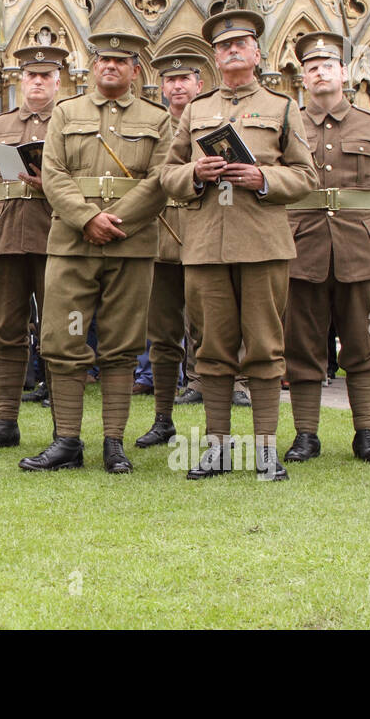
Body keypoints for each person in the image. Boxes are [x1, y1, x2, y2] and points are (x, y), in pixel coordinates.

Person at [160, 10, 316, 480]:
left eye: (241, 44)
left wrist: (263, 177)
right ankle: (218, 449)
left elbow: (306, 176)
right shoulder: (196, 110)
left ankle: (266, 451)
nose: (232, 51)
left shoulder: (283, 107)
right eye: (224, 46)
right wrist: (195, 173)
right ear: (214, 57)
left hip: (262, 244)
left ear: (257, 53)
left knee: (266, 348)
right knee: (211, 348)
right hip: (206, 245)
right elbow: (167, 174)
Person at [19, 32, 171, 473]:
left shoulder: (157, 119)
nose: (111, 66)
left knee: (122, 346)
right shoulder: (66, 113)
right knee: (63, 341)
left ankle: (113, 443)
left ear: (135, 70)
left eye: (122, 61)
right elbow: (53, 173)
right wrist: (86, 218)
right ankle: (66, 441)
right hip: (72, 244)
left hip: (130, 245)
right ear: (92, 65)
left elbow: (161, 179)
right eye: (104, 59)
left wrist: (116, 220)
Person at [281, 33, 370, 465]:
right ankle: (306, 436)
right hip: (303, 250)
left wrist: (364, 226)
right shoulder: (288, 122)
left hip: (359, 249)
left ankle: (366, 433)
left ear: (343, 72)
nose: (319, 72)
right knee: (303, 346)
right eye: (311, 66)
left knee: (363, 343)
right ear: (303, 77)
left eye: (327, 64)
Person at [0, 46, 62, 449]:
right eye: (30, 75)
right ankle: (6, 421)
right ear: (21, 81)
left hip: (56, 236)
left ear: (58, 81)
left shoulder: (69, 122)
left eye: (45, 76)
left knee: (57, 333)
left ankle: (63, 423)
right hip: (5, 238)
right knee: (6, 332)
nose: (37, 82)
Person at [136, 50, 207, 449]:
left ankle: (212, 412)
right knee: (161, 335)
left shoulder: (213, 119)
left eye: (185, 79)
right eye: (170, 80)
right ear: (161, 87)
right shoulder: (148, 124)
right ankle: (164, 418)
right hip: (161, 237)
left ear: (199, 83)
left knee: (210, 328)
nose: (177, 86)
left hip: (201, 235)